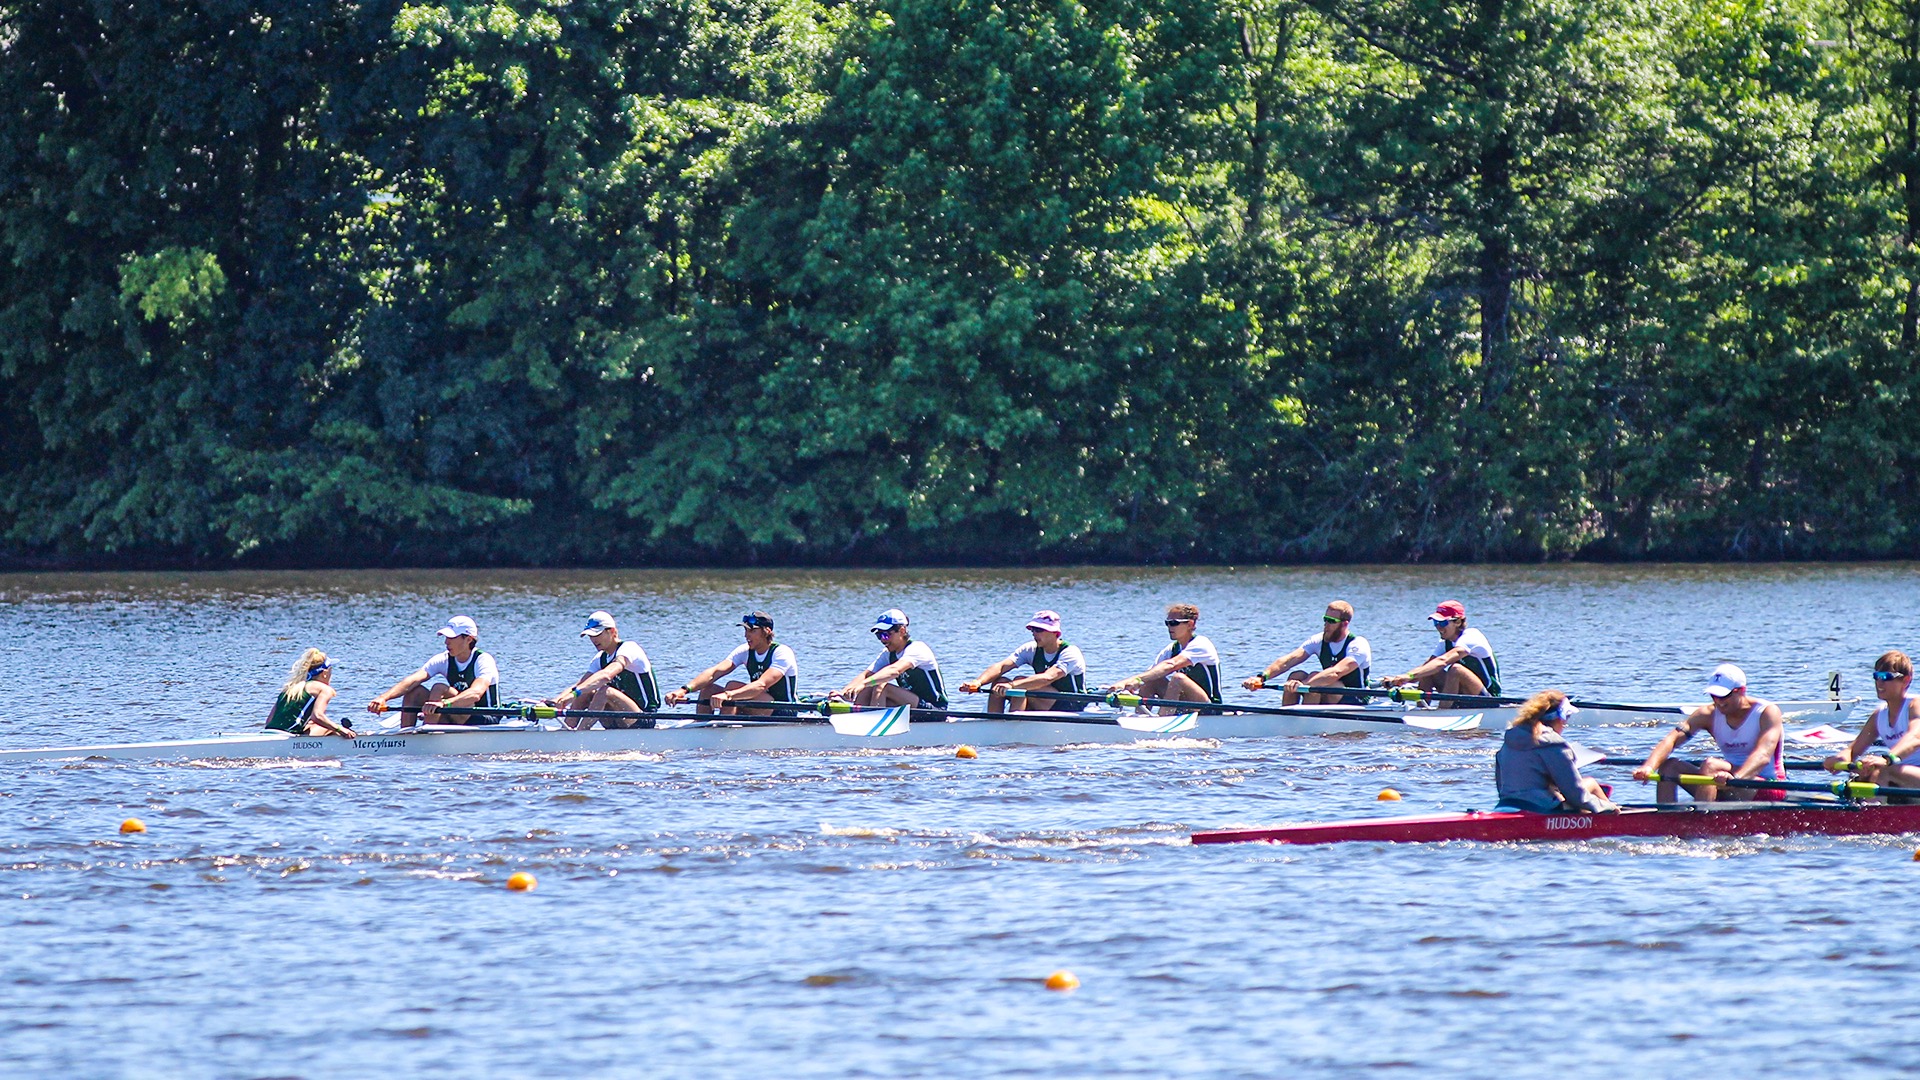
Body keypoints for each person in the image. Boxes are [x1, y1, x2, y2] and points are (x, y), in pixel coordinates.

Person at [1632, 663, 1787, 802]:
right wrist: (1649, 767)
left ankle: (1702, 820)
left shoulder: (1766, 712)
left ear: (1741, 691)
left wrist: (1735, 779)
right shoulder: (1707, 714)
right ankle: (1666, 818)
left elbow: (1763, 756)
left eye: (1724, 696)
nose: (1719, 701)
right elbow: (1671, 740)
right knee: (1669, 766)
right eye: (1714, 696)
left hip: (1769, 786)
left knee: (1711, 765)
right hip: (1726, 780)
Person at [1494, 690, 1617, 813]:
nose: (1565, 723)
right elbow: (1577, 796)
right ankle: (1613, 818)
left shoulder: (1509, 741)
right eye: (1567, 717)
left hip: (1505, 805)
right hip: (1538, 808)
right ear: (1559, 718)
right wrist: (1608, 806)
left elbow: (1501, 786)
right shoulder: (1554, 744)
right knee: (1591, 783)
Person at [367, 615, 501, 728]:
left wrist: (444, 704)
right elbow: (412, 680)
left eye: (451, 638)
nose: (446, 642)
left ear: (468, 639)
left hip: (485, 718)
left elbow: (476, 693)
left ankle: (428, 732)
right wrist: (383, 698)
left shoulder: (483, 660)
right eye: (446, 637)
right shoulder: (444, 659)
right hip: (457, 714)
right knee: (414, 691)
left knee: (439, 688)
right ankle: (405, 737)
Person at [663, 611, 798, 715]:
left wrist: (728, 695)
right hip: (758, 704)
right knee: (708, 689)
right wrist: (684, 690)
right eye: (745, 630)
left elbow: (761, 685)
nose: (746, 635)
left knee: (732, 686)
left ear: (767, 631)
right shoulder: (745, 651)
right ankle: (701, 729)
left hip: (783, 710)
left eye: (752, 631)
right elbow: (715, 672)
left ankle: (725, 732)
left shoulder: (782, 652)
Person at [548, 611, 662, 730]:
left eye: (597, 634)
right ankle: (565, 731)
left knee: (605, 691)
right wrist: (557, 701)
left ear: (612, 631)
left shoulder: (630, 648)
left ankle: (581, 733)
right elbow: (581, 684)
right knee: (585, 691)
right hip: (618, 718)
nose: (593, 640)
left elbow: (606, 675)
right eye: (590, 636)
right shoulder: (600, 658)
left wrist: (574, 694)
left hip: (644, 718)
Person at [1243, 600, 1371, 705]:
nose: (1326, 624)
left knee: (1317, 678)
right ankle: (1288, 718)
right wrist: (1261, 677)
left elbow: (1336, 672)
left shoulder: (1357, 644)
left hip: (1356, 698)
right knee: (1296, 675)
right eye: (1325, 619)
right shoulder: (1318, 640)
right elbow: (1289, 660)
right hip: (1330, 694)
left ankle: (1306, 721)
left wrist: (1303, 685)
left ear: (1344, 624)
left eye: (1331, 621)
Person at [1824, 650, 1920, 791]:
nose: (1879, 682)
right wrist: (1840, 759)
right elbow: (1853, 749)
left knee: (1883, 770)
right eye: (1877, 676)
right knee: (1864, 771)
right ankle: (1866, 803)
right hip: (1905, 774)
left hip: (1909, 772)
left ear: (1905, 680)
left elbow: (1915, 737)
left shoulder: (1915, 705)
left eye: (1886, 677)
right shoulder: (1879, 715)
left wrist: (1887, 759)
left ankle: (1873, 804)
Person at [959, 611, 1089, 713]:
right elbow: (1001, 666)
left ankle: (1014, 725)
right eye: (1033, 629)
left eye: (1039, 630)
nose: (1034, 633)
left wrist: (1012, 685)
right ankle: (993, 723)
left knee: (1019, 682)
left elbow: (1048, 678)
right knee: (999, 682)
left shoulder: (1070, 652)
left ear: (1055, 633)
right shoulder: (1031, 649)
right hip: (1045, 700)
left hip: (1072, 703)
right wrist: (978, 682)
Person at [1380, 600, 1499, 702]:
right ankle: (1421, 710)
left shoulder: (1472, 636)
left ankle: (1443, 711)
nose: (1438, 627)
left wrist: (1409, 676)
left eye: (1443, 622)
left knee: (1456, 669)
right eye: (1436, 623)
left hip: (1488, 698)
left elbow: (1443, 661)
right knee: (1429, 669)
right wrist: (1398, 680)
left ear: (1458, 622)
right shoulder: (1445, 643)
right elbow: (1426, 667)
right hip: (1463, 695)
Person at [1114, 603, 1221, 711]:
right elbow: (1151, 673)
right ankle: (1140, 716)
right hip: (1187, 704)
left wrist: (1137, 679)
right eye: (1167, 623)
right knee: (1152, 678)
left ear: (1190, 624)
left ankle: (1163, 717)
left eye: (1174, 623)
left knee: (1178, 679)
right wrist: (1126, 685)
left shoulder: (1201, 644)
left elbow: (1171, 665)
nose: (1169, 627)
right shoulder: (1172, 649)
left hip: (1209, 706)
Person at [837, 609, 948, 709]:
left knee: (881, 685)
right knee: (869, 685)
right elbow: (866, 675)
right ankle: (858, 716)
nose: (883, 640)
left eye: (886, 635)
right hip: (912, 704)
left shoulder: (918, 648)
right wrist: (842, 693)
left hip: (934, 707)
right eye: (879, 635)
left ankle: (875, 720)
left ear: (902, 631)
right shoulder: (888, 654)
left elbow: (895, 670)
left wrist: (863, 684)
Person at [266, 648, 356, 738]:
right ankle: (350, 742)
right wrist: (340, 729)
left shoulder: (290, 689)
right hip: (289, 735)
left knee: (314, 725)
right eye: (331, 670)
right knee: (329, 727)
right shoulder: (324, 689)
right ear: (324, 673)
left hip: (268, 732)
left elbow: (269, 720)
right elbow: (317, 716)